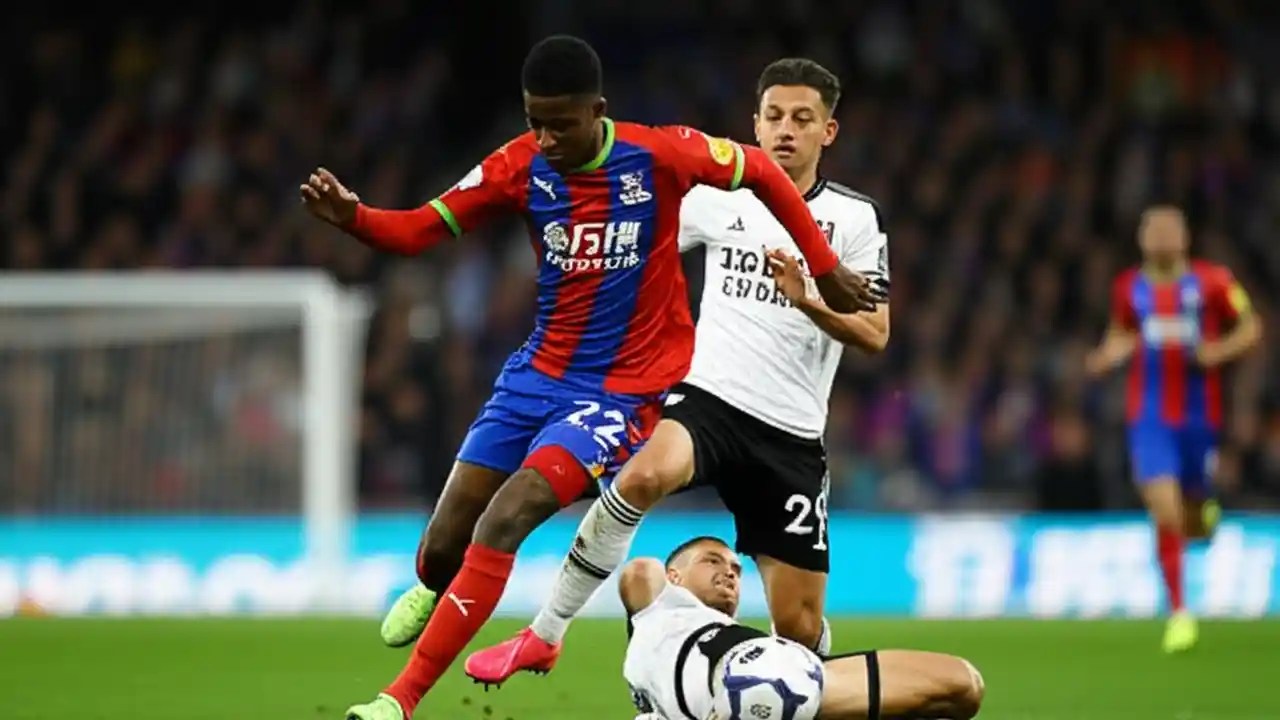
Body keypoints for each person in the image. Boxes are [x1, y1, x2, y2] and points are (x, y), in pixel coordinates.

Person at [300, 36, 883, 720]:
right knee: (447, 538)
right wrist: (356, 219)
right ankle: (437, 584)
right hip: (540, 376)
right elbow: (422, 228)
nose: (545, 137)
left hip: (626, 391)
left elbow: (757, 172)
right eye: (533, 121)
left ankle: (405, 697)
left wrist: (819, 266)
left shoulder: (660, 157)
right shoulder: (519, 166)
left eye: (560, 122)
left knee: (513, 514)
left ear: (597, 111)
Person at [463, 58, 890, 685]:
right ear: (755, 122)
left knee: (798, 629)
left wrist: (806, 298)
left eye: (803, 119)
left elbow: (875, 334)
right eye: (773, 117)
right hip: (709, 398)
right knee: (641, 477)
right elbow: (635, 234)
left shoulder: (855, 219)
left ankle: (792, 683)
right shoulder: (718, 199)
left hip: (792, 435)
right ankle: (545, 634)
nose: (785, 131)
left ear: (829, 132)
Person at [1086, 204, 1261, 653]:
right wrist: (1107, 355)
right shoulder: (1128, 288)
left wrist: (1216, 352)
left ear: (1185, 235)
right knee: (1162, 505)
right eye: (1154, 229)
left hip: (1200, 416)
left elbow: (1251, 327)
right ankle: (1180, 612)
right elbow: (1122, 331)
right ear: (1141, 237)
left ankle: (1204, 514)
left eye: (1170, 228)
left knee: (1193, 516)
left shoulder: (1214, 281)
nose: (1162, 236)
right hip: (1149, 415)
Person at [621, 536, 984, 720]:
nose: (729, 572)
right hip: (749, 679)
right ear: (674, 576)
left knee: (963, 685)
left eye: (735, 568)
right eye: (711, 561)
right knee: (758, 680)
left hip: (793, 679)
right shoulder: (658, 611)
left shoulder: (737, 637)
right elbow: (639, 573)